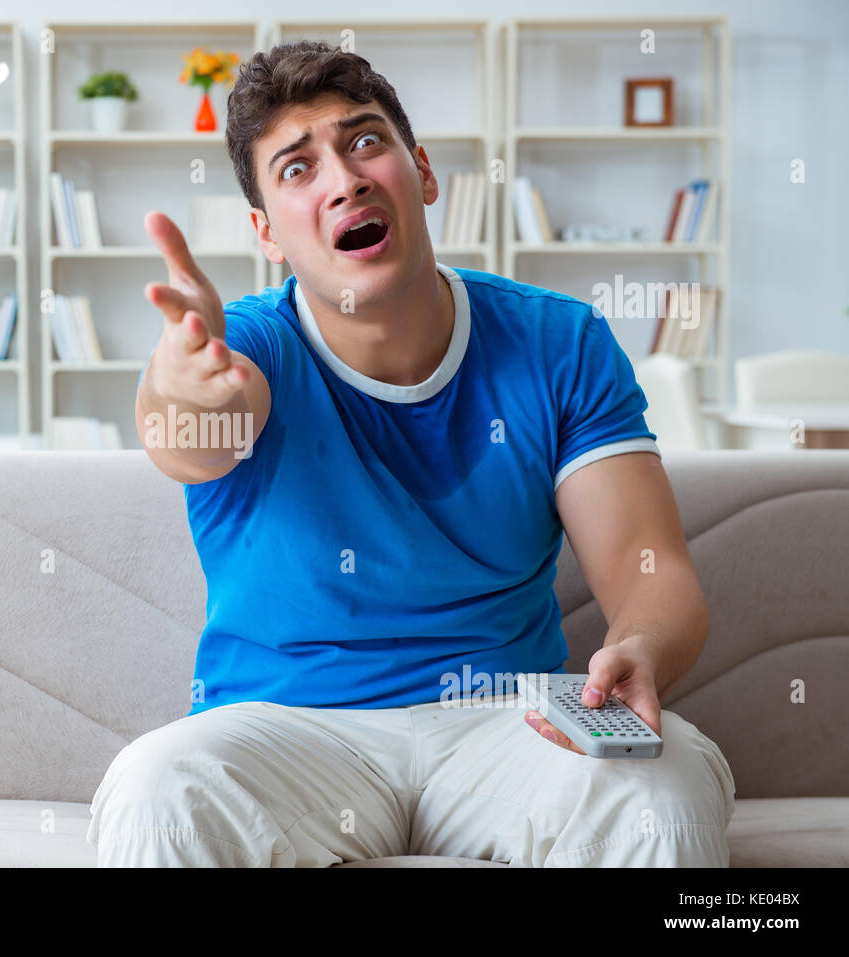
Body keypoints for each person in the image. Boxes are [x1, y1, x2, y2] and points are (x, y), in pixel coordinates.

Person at [86, 40, 735, 867]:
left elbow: (652, 570)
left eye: (365, 142)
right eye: (296, 169)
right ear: (267, 235)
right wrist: (184, 389)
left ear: (421, 173)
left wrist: (643, 647)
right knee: (155, 790)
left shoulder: (556, 341)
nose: (343, 179)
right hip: (290, 732)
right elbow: (185, 437)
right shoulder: (246, 347)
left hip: (509, 722)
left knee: (667, 786)